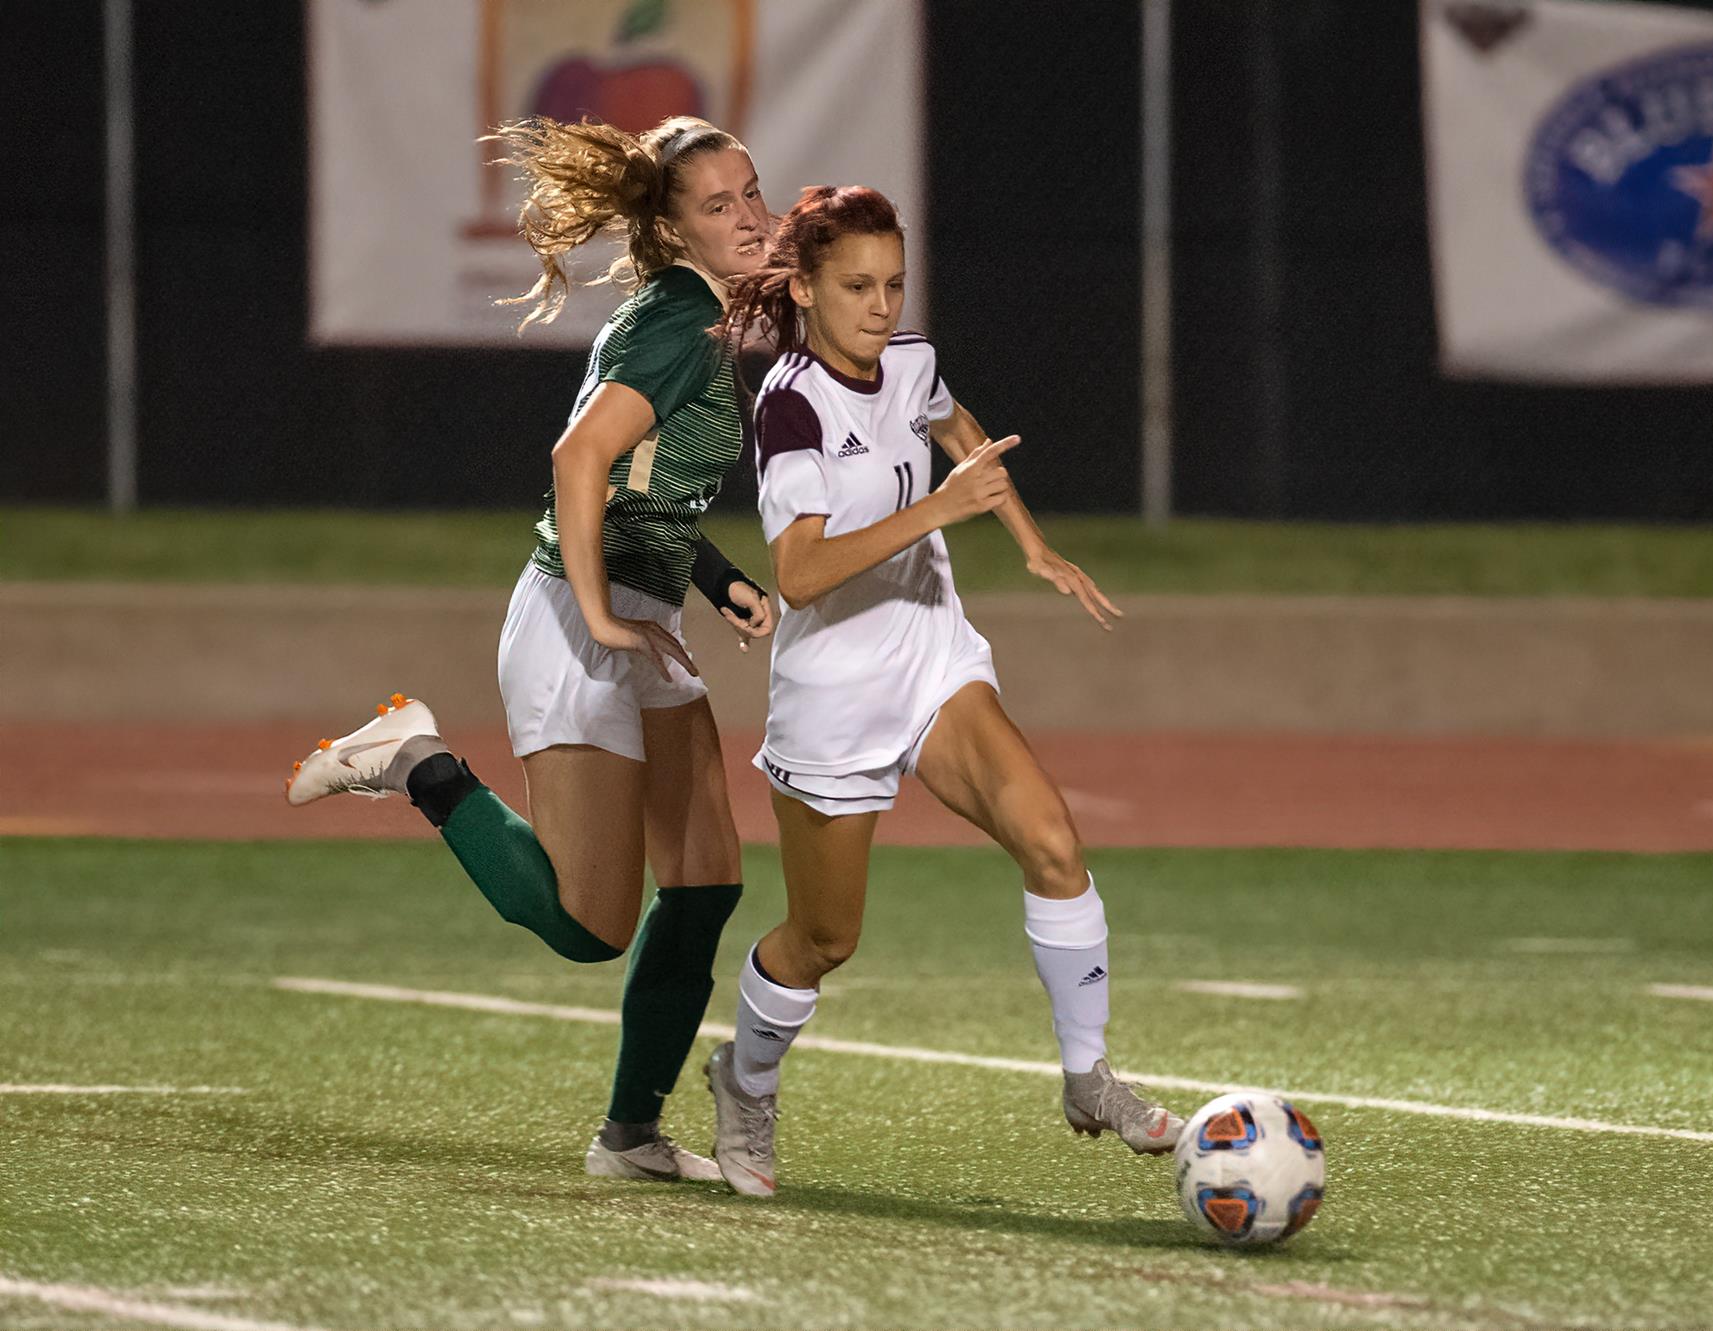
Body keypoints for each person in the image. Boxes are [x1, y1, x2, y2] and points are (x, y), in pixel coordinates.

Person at [283, 115, 777, 1185]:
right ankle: (415, 759)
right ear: (671, 224)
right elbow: (579, 456)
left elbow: (648, 483)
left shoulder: (695, 307)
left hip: (639, 612)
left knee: (703, 881)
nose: (749, 216)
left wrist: (715, 575)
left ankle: (630, 1137)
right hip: (575, 626)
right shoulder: (683, 314)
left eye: (751, 192)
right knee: (590, 922)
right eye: (718, 202)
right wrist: (603, 619)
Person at [699, 184, 1183, 1198]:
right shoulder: (790, 404)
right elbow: (797, 573)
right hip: (833, 690)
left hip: (930, 654)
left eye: (894, 283)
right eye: (856, 286)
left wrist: (1032, 545)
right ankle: (741, 1077)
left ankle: (1086, 1074)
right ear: (801, 288)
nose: (881, 305)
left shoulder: (907, 359)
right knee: (825, 936)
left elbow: (956, 425)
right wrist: (941, 512)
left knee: (1051, 840)